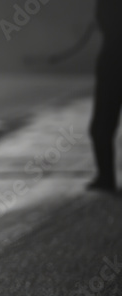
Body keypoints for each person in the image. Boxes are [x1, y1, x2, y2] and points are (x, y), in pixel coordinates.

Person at [89, 0, 122, 191]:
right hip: (110, 68)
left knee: (101, 128)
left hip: (111, 70)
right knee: (101, 128)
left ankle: (105, 178)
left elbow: (104, 20)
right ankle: (105, 178)